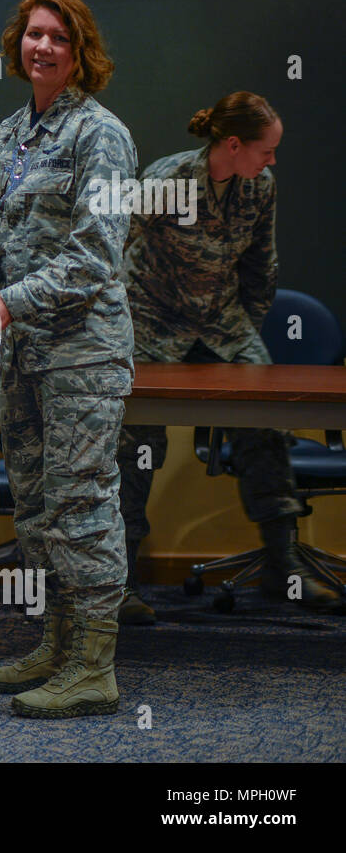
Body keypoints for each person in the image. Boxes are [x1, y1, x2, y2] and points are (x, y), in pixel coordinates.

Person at [0, 0, 136, 718]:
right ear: (16, 45)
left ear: (80, 49)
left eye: (59, 37)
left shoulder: (103, 134)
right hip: (24, 351)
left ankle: (95, 665)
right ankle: (57, 644)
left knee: (82, 503)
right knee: (36, 505)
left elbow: (96, 255)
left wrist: (11, 299)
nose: (43, 47)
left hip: (82, 354)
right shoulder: (8, 135)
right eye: (33, 35)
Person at [116, 93, 342, 617]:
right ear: (233, 145)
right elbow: (115, 243)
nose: (273, 160)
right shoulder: (168, 181)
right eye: (267, 149)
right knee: (135, 442)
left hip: (221, 321)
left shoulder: (260, 184)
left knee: (267, 421)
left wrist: (249, 332)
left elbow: (262, 264)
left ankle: (282, 566)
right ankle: (121, 580)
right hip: (152, 319)